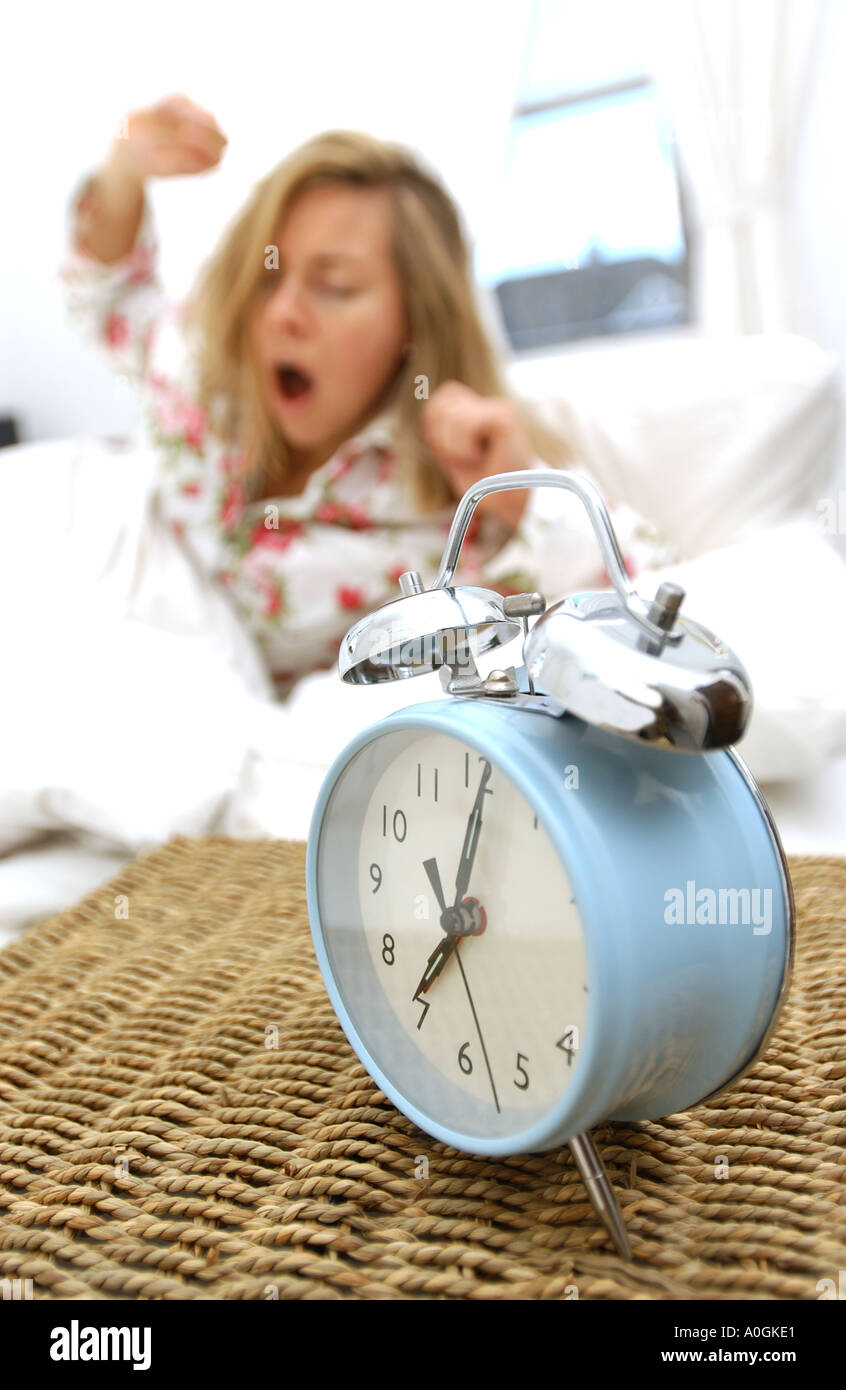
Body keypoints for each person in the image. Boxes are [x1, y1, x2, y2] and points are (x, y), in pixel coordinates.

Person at [61, 94, 676, 698]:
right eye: (268, 275)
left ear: (414, 320)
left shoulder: (448, 508)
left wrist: (518, 491)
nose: (282, 315)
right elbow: (110, 299)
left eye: (334, 285)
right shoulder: (199, 371)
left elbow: (649, 600)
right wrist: (124, 169)